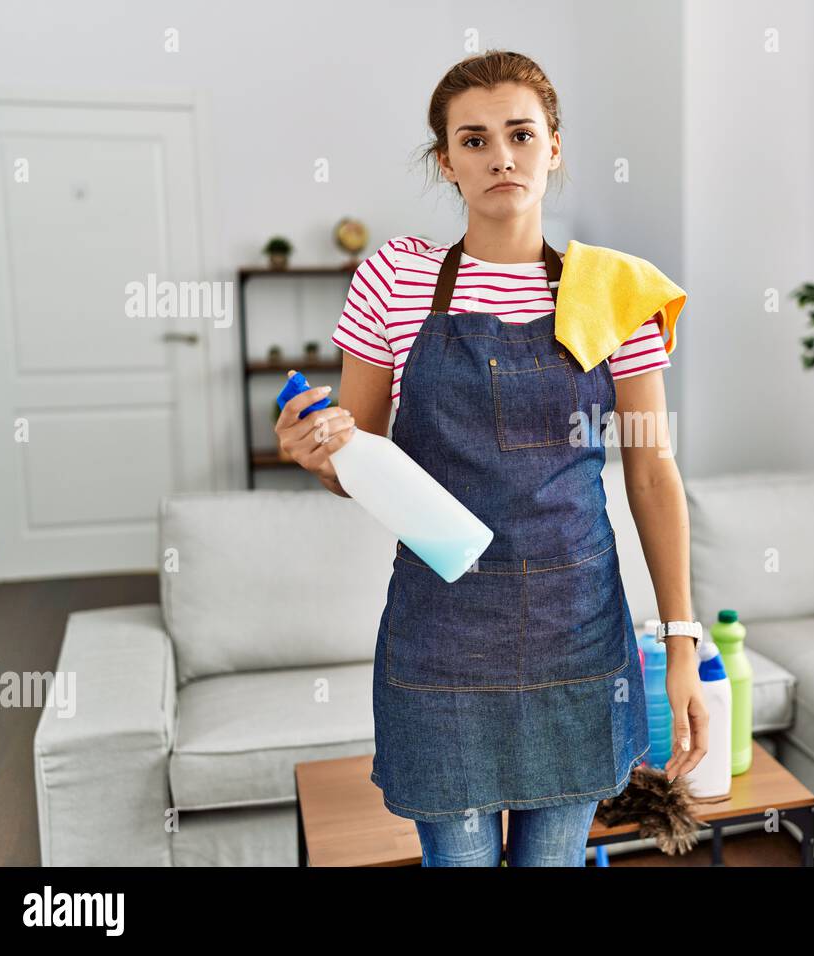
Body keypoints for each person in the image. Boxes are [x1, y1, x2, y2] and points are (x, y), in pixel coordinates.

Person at [275, 50, 707, 867]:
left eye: (521, 134)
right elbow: (352, 460)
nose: (501, 156)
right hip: (442, 632)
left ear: (554, 146)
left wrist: (682, 643)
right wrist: (316, 451)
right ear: (446, 161)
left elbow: (652, 473)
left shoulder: (615, 292)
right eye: (474, 140)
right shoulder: (394, 281)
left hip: (577, 629)